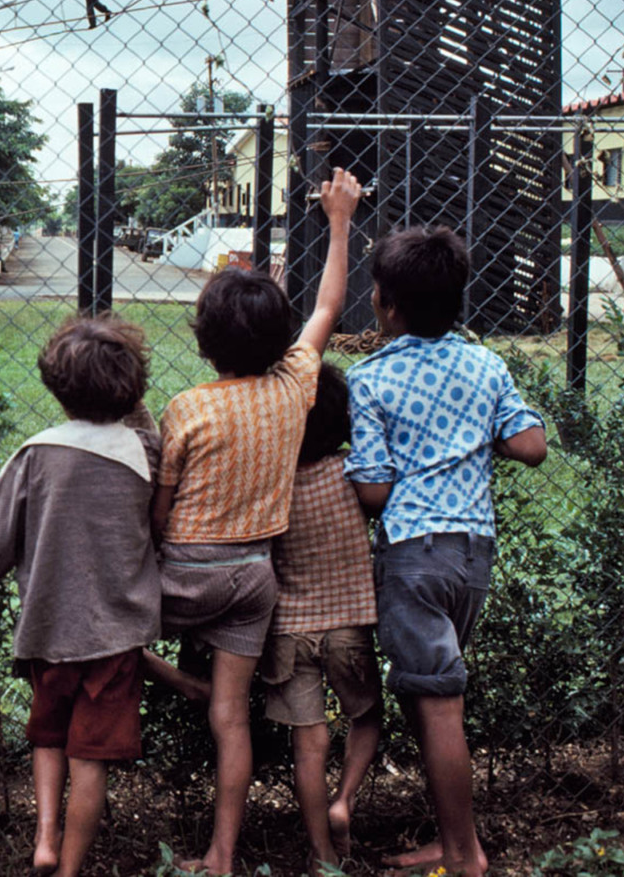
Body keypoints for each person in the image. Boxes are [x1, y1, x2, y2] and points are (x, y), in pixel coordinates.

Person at [150, 167, 362, 876]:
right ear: (279, 339)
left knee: (98, 629)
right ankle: (221, 856)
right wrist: (339, 221)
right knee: (232, 717)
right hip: (253, 580)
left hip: (184, 573)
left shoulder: (186, 408)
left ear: (205, 344)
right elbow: (330, 303)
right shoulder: (295, 382)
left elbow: (160, 506)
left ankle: (141, 662)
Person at [345, 226, 548, 877]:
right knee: (429, 696)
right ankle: (451, 839)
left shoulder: (370, 379)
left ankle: (464, 853)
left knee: (437, 707)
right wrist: (470, 438)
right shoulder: (485, 365)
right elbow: (531, 445)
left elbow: (374, 491)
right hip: (472, 554)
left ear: (384, 301)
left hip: (413, 553)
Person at [0, 314, 163, 877]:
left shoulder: (35, 454)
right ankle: (68, 868)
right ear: (132, 388)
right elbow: (146, 437)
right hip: (115, 638)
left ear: (53, 385)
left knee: (48, 735)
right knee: (89, 758)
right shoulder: (145, 453)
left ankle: (44, 837)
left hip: (49, 629)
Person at [262, 362, 382, 873]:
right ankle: (344, 800)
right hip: (348, 628)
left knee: (307, 745)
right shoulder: (354, 474)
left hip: (291, 631)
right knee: (368, 717)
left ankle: (321, 853)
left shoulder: (273, 485)